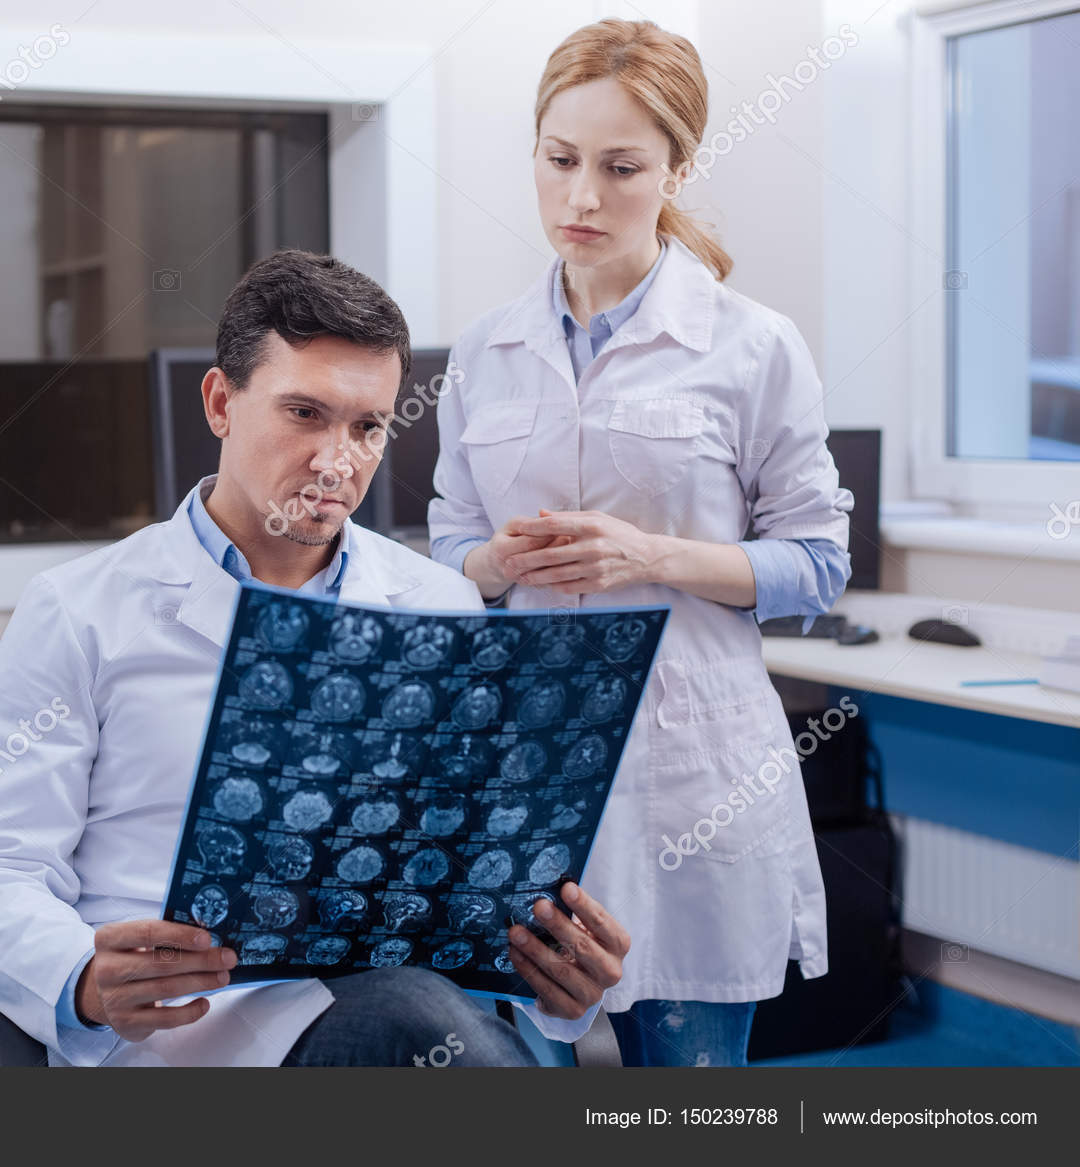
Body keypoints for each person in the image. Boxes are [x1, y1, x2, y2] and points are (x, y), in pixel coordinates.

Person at [0, 250, 630, 1067]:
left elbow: (481, 880)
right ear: (220, 403)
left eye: (367, 427)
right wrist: (83, 978)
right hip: (183, 1034)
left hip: (398, 1021)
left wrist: (555, 978)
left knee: (420, 1016)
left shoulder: (439, 605)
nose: (337, 461)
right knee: (415, 1018)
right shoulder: (79, 610)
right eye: (305, 413)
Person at [428, 18, 854, 1068]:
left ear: (676, 170)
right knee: (511, 1076)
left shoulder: (751, 345)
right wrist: (493, 564)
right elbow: (445, 547)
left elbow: (817, 563)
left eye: (620, 168)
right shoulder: (484, 351)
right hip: (526, 766)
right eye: (559, 159)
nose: (581, 197)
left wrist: (651, 556)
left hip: (689, 780)